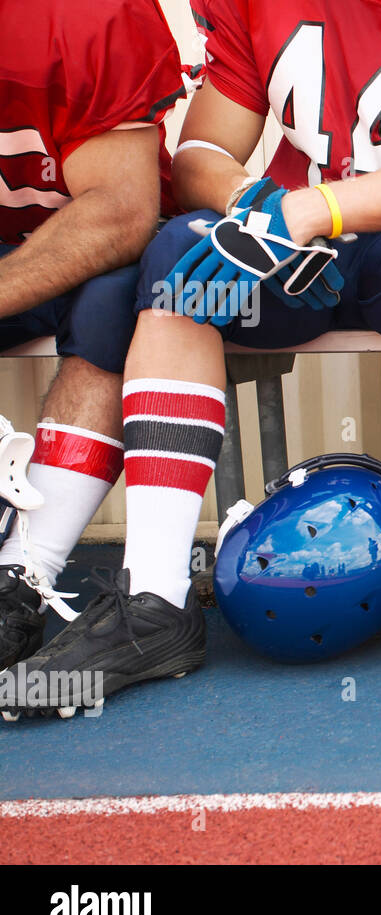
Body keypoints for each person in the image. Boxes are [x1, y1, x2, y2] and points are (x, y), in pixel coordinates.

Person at [16, 0, 381, 715]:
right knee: (179, 252)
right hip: (286, 249)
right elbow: (197, 155)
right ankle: (155, 599)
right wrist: (252, 202)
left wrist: (309, 210)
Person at [0, 0, 184, 672]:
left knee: (121, 295)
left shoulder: (87, 13)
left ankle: (21, 575)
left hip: (83, 251)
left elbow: (122, 212)